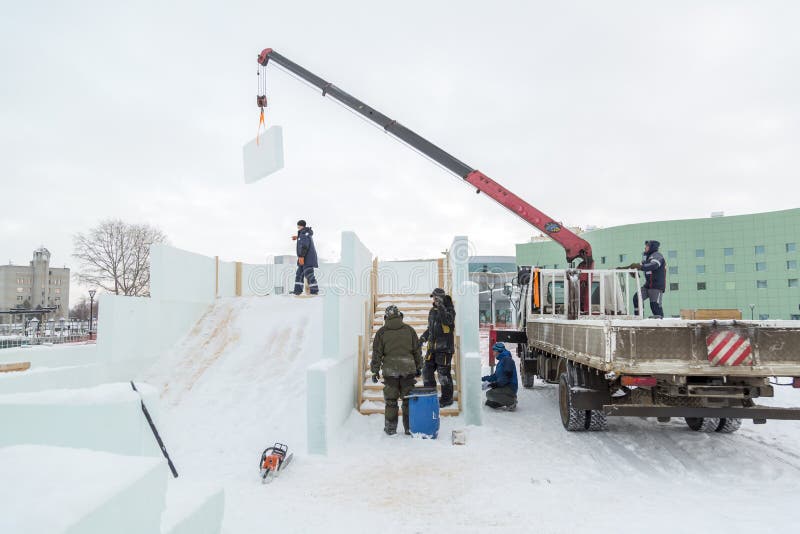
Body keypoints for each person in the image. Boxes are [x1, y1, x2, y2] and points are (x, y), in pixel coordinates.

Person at [370, 305, 422, 435]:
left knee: (391, 401)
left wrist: (375, 371)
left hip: (390, 372)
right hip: (408, 370)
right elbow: (417, 351)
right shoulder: (409, 330)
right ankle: (409, 428)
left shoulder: (382, 332)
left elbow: (377, 354)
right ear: (400, 315)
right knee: (408, 400)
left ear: (386, 317)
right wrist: (419, 366)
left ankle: (390, 428)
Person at [419, 288, 456, 408]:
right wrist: (423, 338)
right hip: (432, 348)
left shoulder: (449, 310)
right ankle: (430, 396)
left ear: (440, 298)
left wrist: (441, 306)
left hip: (444, 349)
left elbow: (448, 321)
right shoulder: (432, 311)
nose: (433, 300)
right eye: (433, 298)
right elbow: (431, 328)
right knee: (426, 371)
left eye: (435, 298)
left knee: (443, 375)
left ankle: (447, 399)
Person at [632, 240, 666, 318]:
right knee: (637, 298)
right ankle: (638, 318)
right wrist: (624, 268)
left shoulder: (657, 255)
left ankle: (661, 323)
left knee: (654, 305)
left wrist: (641, 267)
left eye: (647, 246)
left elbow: (654, 265)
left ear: (652, 247)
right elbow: (638, 265)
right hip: (648, 285)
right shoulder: (646, 257)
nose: (645, 247)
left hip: (656, 286)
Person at [482, 342, 518, 410]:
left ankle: (511, 402)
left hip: (510, 387)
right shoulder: (501, 361)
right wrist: (483, 379)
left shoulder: (507, 360)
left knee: (490, 394)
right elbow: (495, 376)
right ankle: (508, 399)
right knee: (489, 402)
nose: (493, 353)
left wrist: (495, 384)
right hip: (504, 386)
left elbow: (506, 378)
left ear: (498, 351)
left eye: (494, 351)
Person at [290, 220, 319, 295]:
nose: (297, 227)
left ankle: (314, 291)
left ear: (301, 226)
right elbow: (304, 239)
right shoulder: (304, 233)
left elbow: (304, 246)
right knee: (299, 274)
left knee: (309, 274)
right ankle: (297, 291)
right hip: (303, 258)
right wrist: (297, 237)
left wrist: (301, 256)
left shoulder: (303, 234)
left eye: (298, 226)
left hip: (307, 259)